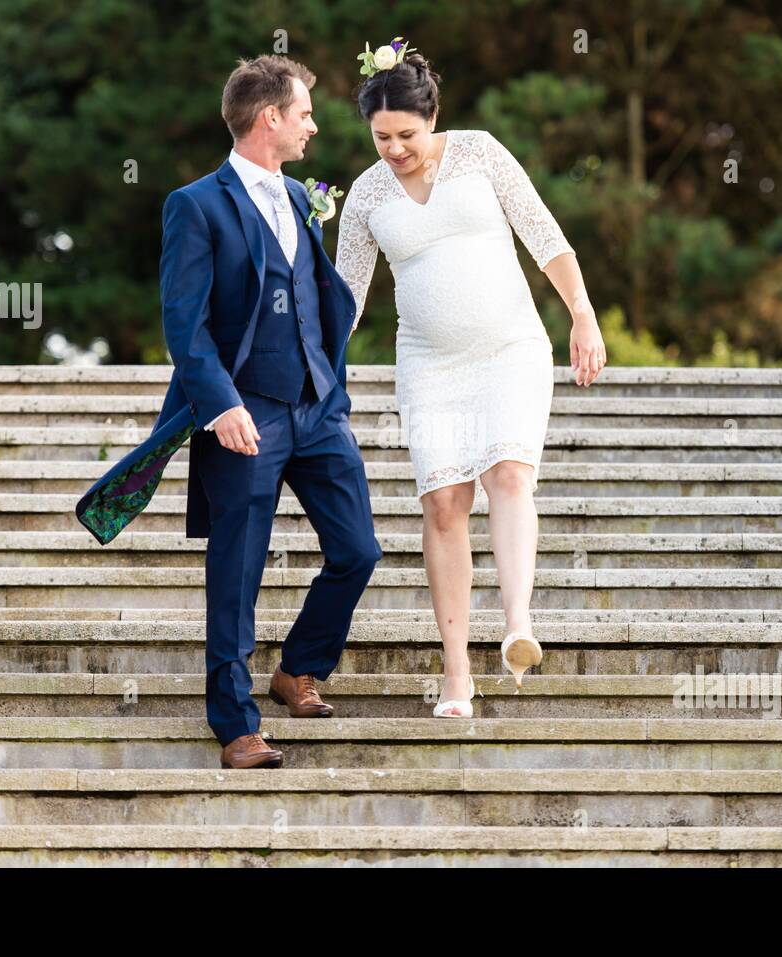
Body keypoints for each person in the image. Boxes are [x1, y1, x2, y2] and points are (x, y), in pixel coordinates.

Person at [336, 40, 606, 718]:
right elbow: (346, 296)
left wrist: (582, 314)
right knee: (444, 505)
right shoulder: (367, 195)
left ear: (434, 118)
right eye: (381, 137)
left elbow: (545, 235)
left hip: (510, 348)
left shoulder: (481, 152)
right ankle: (457, 673)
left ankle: (517, 622)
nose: (394, 148)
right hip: (428, 364)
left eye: (406, 134)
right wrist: (312, 367)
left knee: (510, 473)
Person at [154, 54, 381, 768]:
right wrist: (219, 404)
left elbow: (313, 296)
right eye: (305, 111)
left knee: (358, 549)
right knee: (237, 570)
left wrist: (332, 394)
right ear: (269, 118)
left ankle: (297, 667)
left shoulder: (296, 197)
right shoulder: (195, 205)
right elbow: (184, 323)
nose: (315, 124)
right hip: (244, 415)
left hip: (316, 409)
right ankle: (235, 722)